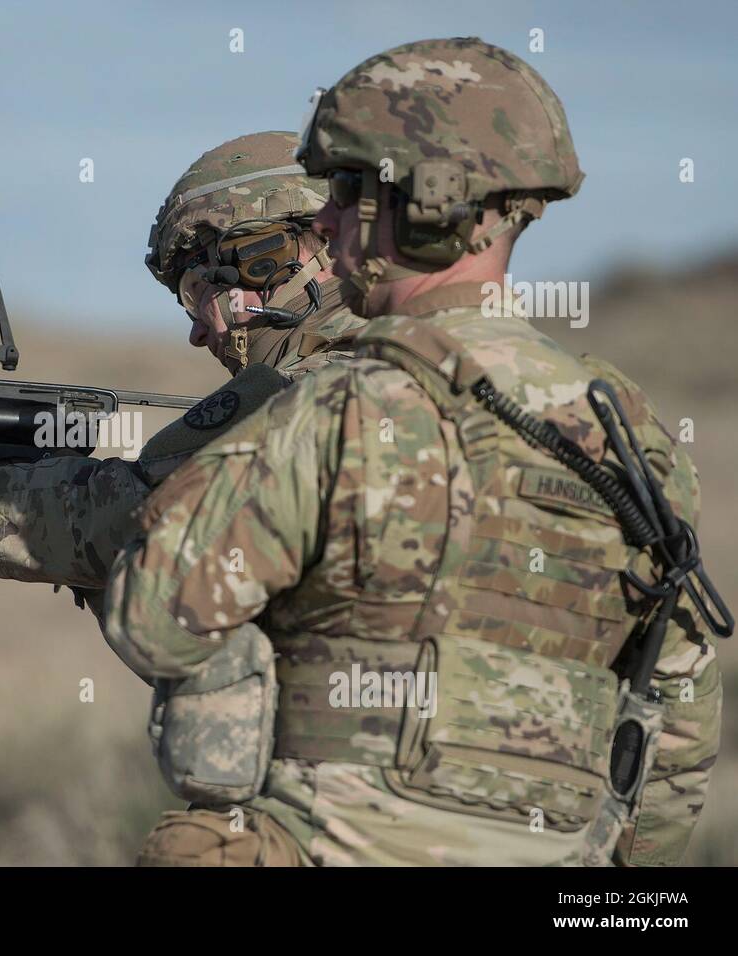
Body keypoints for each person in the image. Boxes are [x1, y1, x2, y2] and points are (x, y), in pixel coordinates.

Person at [101, 37, 724, 866]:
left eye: (347, 190)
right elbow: (678, 724)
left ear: (423, 203)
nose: (322, 219)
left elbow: (154, 620)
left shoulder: (331, 407)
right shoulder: (628, 431)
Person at [0, 131, 364, 603]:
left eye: (196, 289)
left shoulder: (333, 387)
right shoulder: (386, 358)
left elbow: (141, 519)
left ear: (263, 257)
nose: (197, 331)